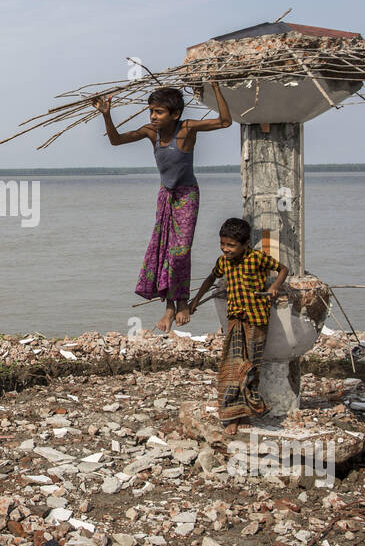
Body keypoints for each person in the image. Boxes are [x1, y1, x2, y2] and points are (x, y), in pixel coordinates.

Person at [92, 84, 232, 332]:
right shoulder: (150, 132)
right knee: (165, 252)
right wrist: (106, 113)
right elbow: (115, 141)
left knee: (180, 252)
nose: (153, 117)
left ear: (175, 114)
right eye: (151, 112)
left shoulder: (186, 128)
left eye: (158, 112)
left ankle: (183, 303)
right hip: (165, 196)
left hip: (187, 195)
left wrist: (216, 87)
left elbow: (224, 122)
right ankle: (170, 308)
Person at [188, 217, 289, 434]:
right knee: (233, 367)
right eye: (223, 244)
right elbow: (209, 279)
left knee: (251, 368)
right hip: (235, 320)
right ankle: (232, 414)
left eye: (231, 245)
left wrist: (275, 288)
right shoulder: (223, 262)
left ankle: (246, 414)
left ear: (245, 245)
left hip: (257, 320)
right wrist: (194, 302)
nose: (226, 249)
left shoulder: (257, 258)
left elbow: (283, 269)